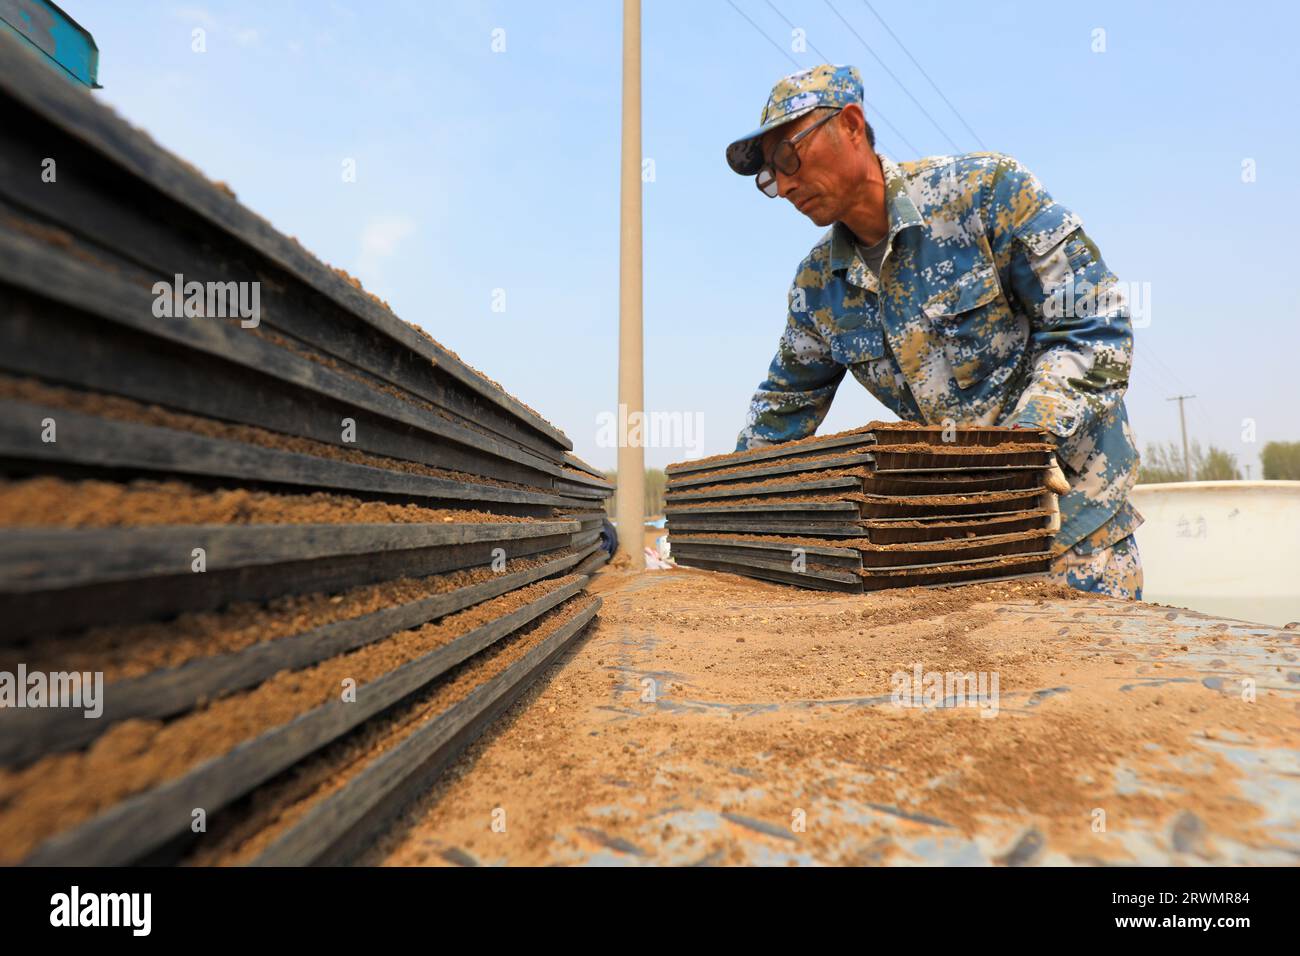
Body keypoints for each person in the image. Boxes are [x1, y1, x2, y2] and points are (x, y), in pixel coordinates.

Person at [726, 64, 1142, 599]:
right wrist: (716, 517)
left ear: (852, 125)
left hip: (1075, 536)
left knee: (1091, 681)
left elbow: (1093, 323)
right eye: (769, 176)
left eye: (787, 156)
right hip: (967, 552)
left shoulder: (984, 194)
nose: (783, 184)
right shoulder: (818, 287)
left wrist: (1023, 447)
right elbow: (779, 414)